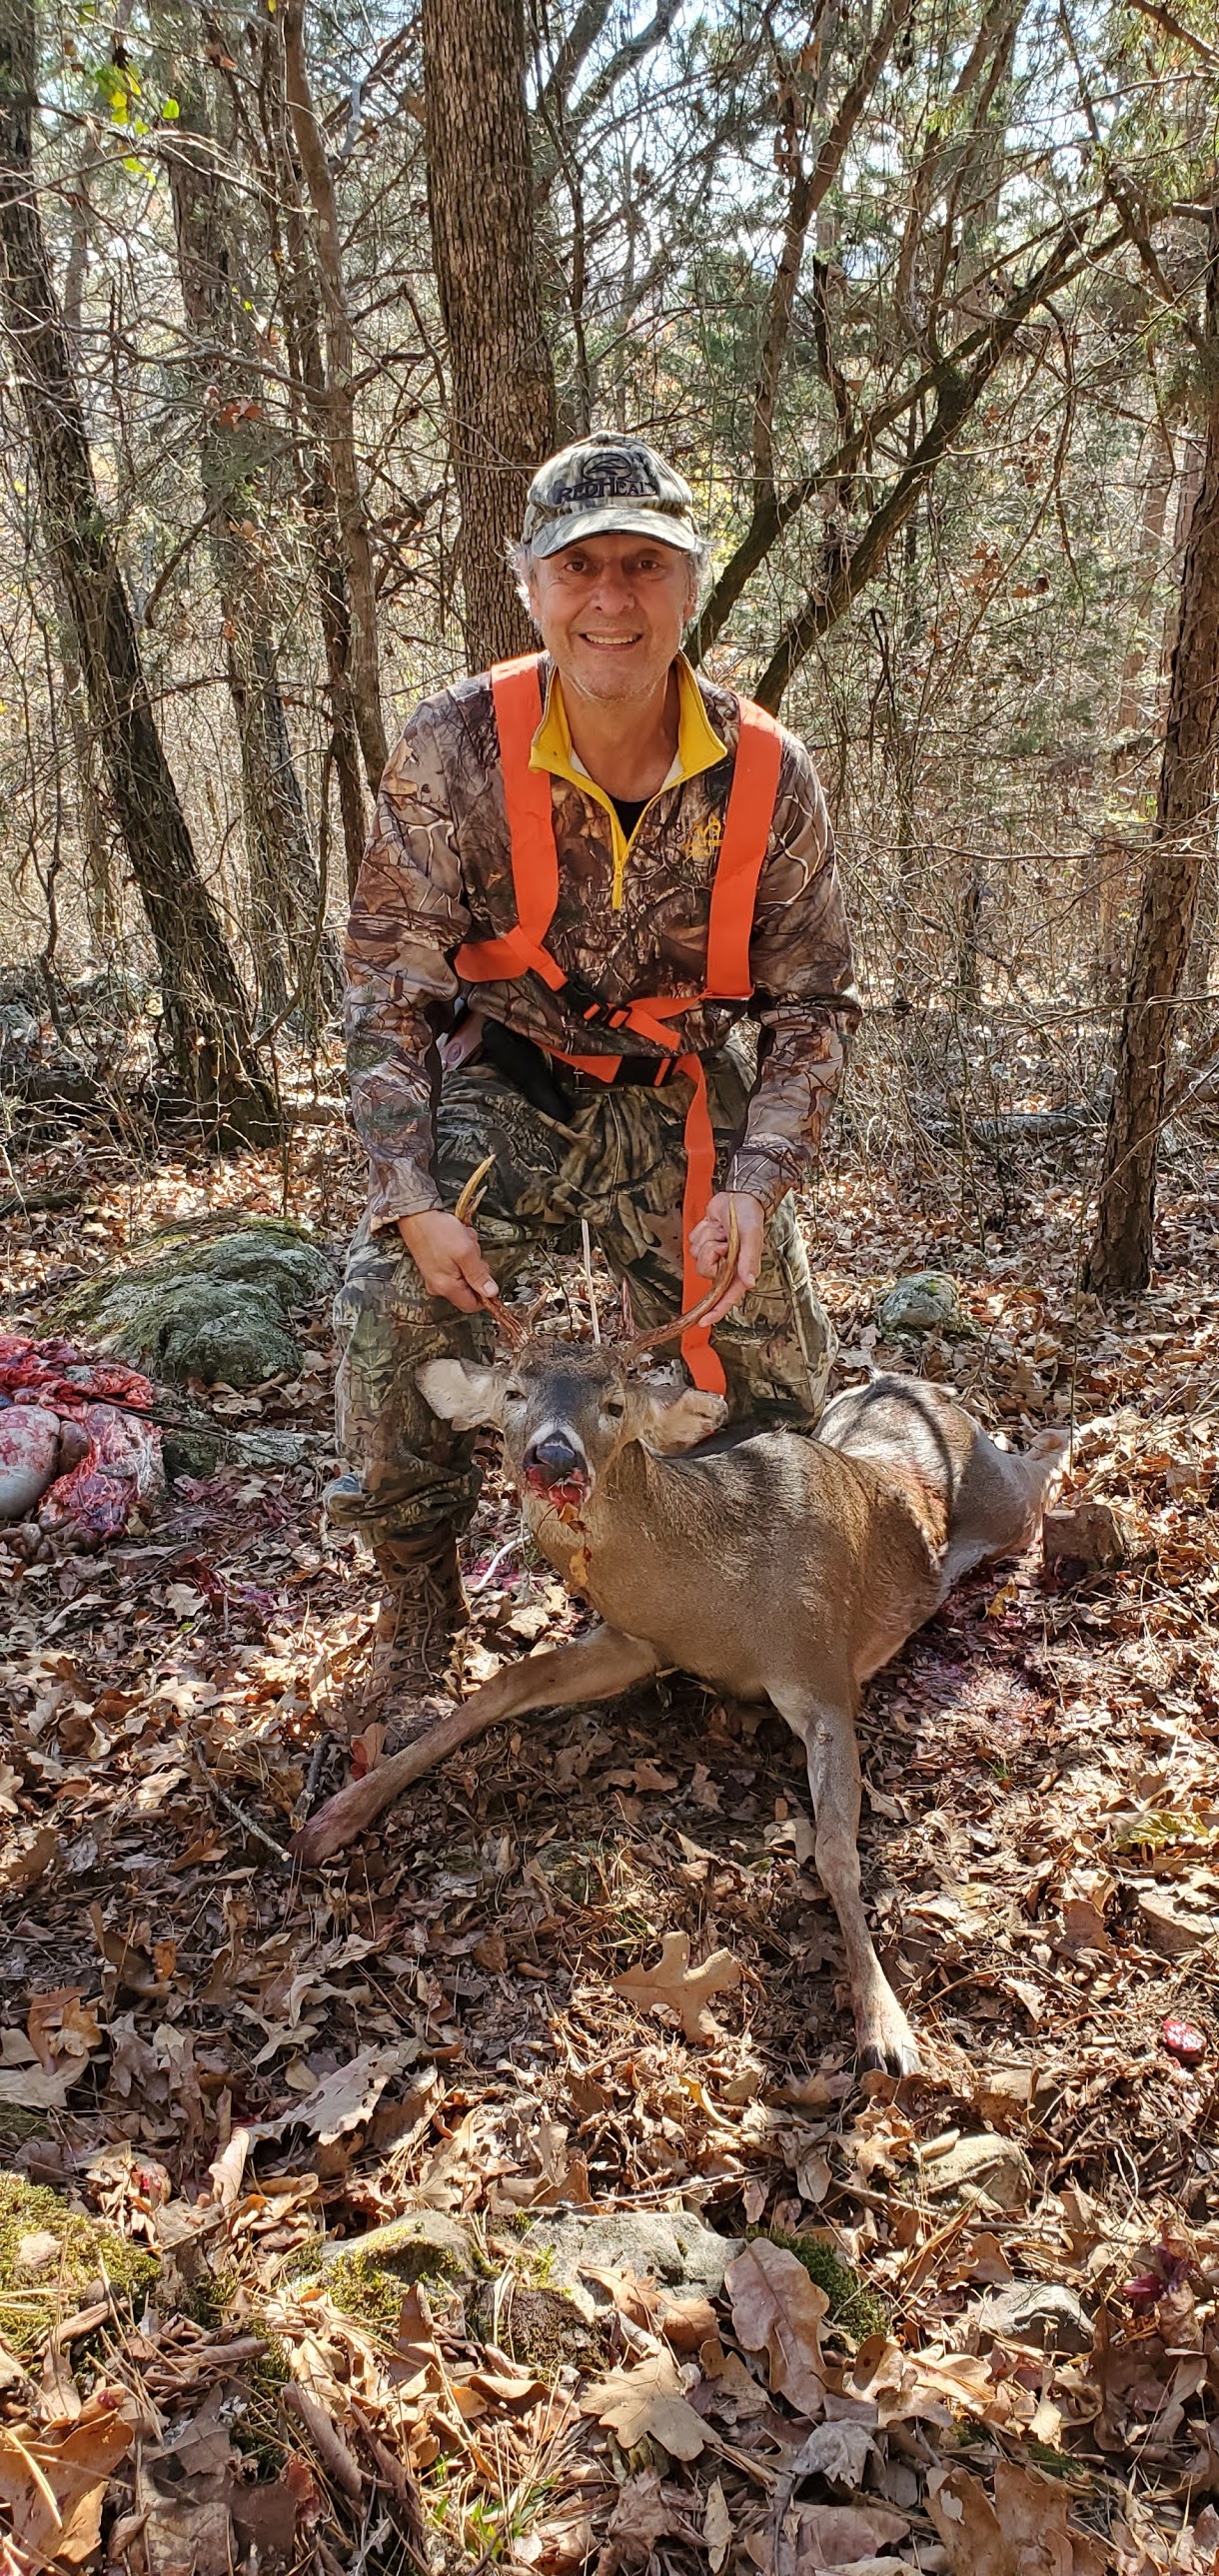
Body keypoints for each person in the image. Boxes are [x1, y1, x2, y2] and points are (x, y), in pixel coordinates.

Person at [325, 431, 860, 1717]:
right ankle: (417, 1594)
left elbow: (811, 1009)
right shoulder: (453, 745)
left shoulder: (768, 775)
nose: (609, 599)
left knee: (773, 1384)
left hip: (676, 1097)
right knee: (392, 1310)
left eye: (642, 566)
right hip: (501, 1079)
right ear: (529, 582)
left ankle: (724, 1586)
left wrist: (754, 1185)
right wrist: (412, 1196)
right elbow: (385, 992)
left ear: (687, 586)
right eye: (579, 568)